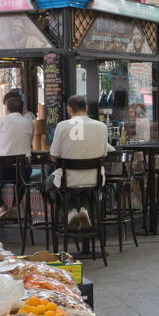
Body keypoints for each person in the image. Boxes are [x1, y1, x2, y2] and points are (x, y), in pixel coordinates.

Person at [49, 94, 112, 232]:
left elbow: (54, 156)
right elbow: (104, 154)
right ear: (87, 108)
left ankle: (71, 211)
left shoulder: (62, 126)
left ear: (69, 110)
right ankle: (84, 210)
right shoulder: (101, 127)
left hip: (69, 180)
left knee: (49, 184)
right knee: (84, 187)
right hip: (95, 179)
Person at [0, 92, 35, 220]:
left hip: (2, 171)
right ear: (22, 109)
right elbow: (29, 144)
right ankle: (15, 206)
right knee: (21, 178)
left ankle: (0, 207)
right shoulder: (30, 123)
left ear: (7, 109)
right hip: (23, 170)